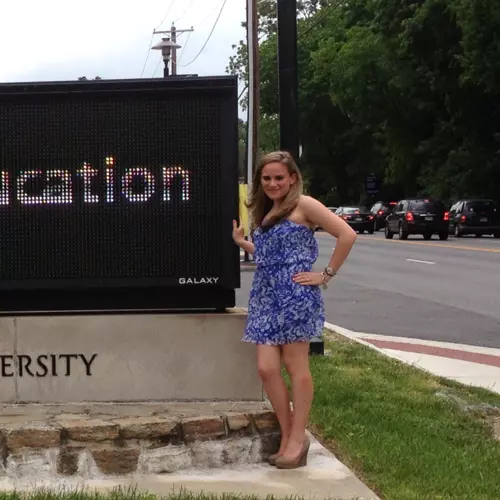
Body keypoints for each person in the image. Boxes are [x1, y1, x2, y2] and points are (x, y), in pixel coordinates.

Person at [232, 151, 357, 470]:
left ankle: (296, 438)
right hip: (264, 295)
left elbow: (347, 234)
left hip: (295, 295)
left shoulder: (305, 205)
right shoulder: (268, 210)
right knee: (266, 369)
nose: (273, 183)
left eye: (279, 177)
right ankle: (290, 435)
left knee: (295, 365)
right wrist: (244, 244)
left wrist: (325, 275)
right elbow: (270, 253)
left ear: (292, 178)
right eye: (266, 178)